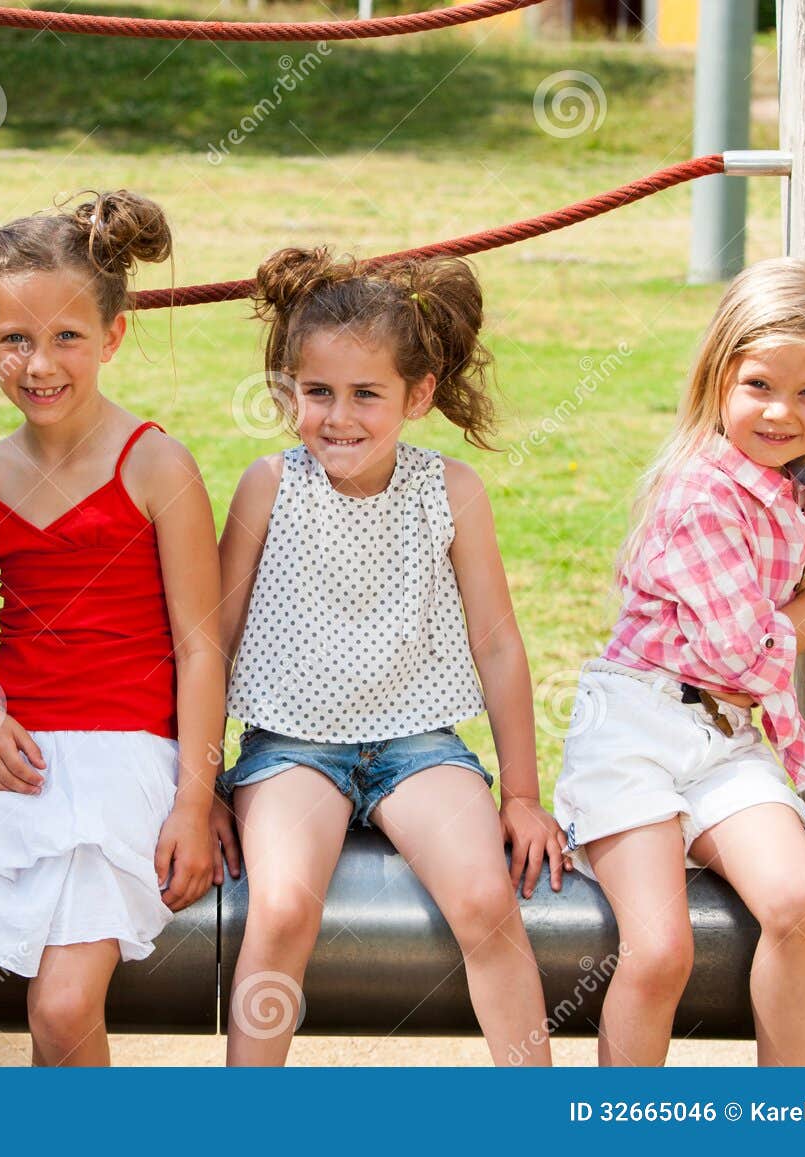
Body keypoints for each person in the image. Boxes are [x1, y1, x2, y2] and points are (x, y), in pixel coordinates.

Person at [0, 191, 233, 1066]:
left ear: (114, 337)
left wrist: (194, 796)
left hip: (127, 759)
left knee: (62, 1010)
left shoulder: (157, 464)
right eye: (14, 339)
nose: (40, 363)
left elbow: (202, 646)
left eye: (67, 337)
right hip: (5, 754)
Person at [554, 257, 805, 1066]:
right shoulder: (702, 494)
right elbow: (737, 661)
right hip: (638, 728)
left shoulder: (792, 486)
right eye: (759, 385)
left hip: (722, 739)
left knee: (797, 900)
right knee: (660, 950)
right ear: (718, 377)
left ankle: (780, 1109)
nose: (782, 411)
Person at [217, 248, 567, 1066]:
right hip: (290, 747)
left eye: (366, 394)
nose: (339, 416)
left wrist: (520, 793)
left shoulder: (451, 490)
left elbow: (498, 643)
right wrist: (197, 782)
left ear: (417, 395)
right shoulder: (268, 485)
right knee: (282, 905)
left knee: (486, 899)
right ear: (289, 392)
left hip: (419, 745)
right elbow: (212, 639)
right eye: (317, 393)